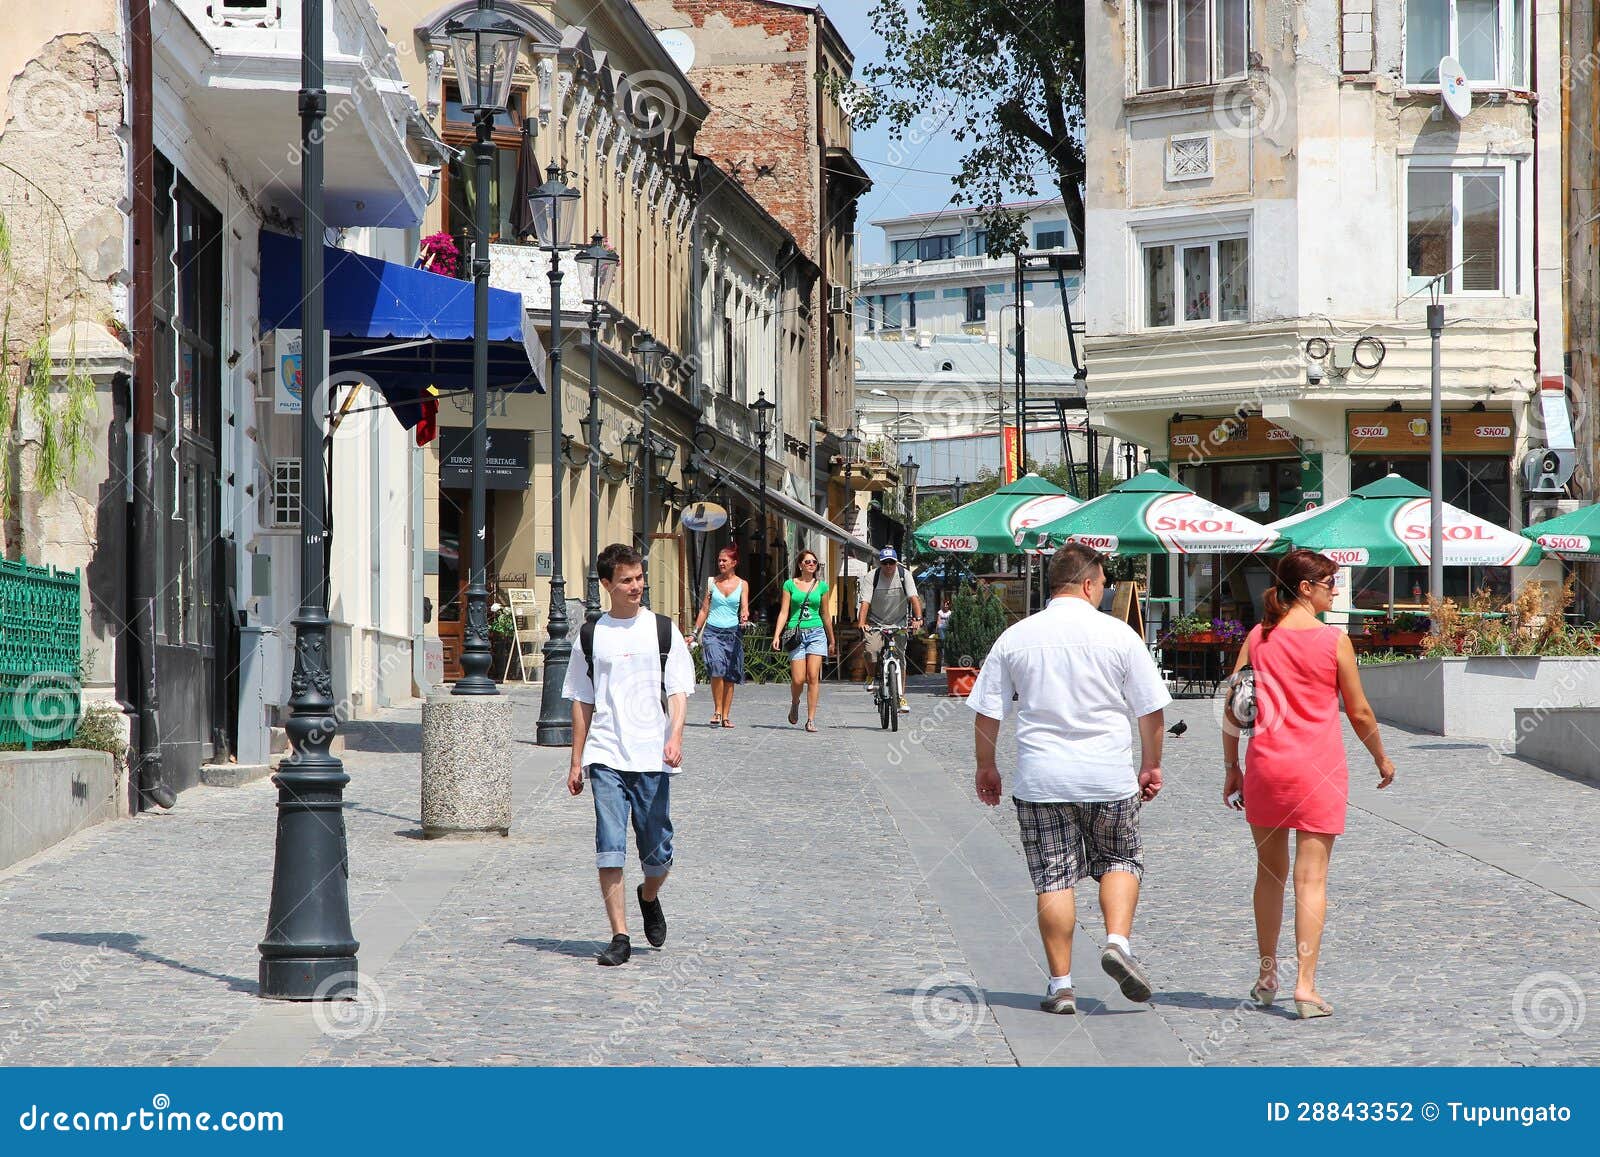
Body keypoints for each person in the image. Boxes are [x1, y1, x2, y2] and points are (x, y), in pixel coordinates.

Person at [968, 544, 1170, 1015]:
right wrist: (1151, 763)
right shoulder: (1119, 637)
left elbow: (987, 711)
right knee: (1120, 858)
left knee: (1053, 877)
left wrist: (986, 765)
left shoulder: (1017, 637)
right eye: (1102, 585)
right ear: (1087, 584)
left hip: (1042, 780)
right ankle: (1117, 942)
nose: (1103, 592)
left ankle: (1061, 986)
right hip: (1108, 777)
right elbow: (1150, 709)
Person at [1222, 549, 1396, 1019]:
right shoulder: (1333, 641)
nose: (1334, 590)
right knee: (1311, 879)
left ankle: (1265, 976)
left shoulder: (1259, 636)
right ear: (1305, 588)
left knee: (1269, 876)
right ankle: (1304, 986)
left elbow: (1234, 706)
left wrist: (1231, 767)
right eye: (1329, 582)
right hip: (1317, 772)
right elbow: (1359, 712)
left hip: (1266, 769)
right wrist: (1381, 757)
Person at [564, 543, 695, 967]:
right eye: (627, 580)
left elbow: (678, 691)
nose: (636, 586)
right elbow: (582, 700)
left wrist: (674, 737)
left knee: (658, 853)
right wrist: (576, 761)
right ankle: (619, 935)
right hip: (606, 755)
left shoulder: (662, 629)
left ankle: (648, 894)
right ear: (607, 585)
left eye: (640, 578)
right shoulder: (591, 635)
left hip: (653, 756)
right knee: (610, 845)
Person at [772, 548, 835, 732]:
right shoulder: (789, 585)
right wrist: (777, 634)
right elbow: (784, 612)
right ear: (800, 565)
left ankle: (811, 719)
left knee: (813, 676)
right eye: (808, 562)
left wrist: (831, 639)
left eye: (814, 562)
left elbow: (825, 614)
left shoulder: (821, 586)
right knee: (799, 679)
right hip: (796, 633)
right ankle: (795, 702)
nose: (811, 565)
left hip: (816, 633)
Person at [687, 545, 748, 727]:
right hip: (713, 632)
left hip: (733, 633)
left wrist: (744, 615)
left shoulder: (742, 584)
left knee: (730, 675)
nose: (721, 563)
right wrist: (694, 632)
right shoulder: (712, 583)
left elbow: (744, 606)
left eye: (724, 561)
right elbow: (704, 609)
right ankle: (717, 710)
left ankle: (726, 715)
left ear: (734, 563)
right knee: (716, 668)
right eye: (719, 560)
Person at [858, 546, 923, 713]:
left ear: (896, 562)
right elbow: (865, 603)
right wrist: (862, 622)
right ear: (880, 563)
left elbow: (914, 599)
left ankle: (900, 696)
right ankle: (872, 676)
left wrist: (918, 619)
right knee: (870, 651)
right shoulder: (871, 577)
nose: (888, 566)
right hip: (876, 622)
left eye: (891, 563)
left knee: (900, 658)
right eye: (885, 563)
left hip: (898, 622)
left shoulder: (904, 575)